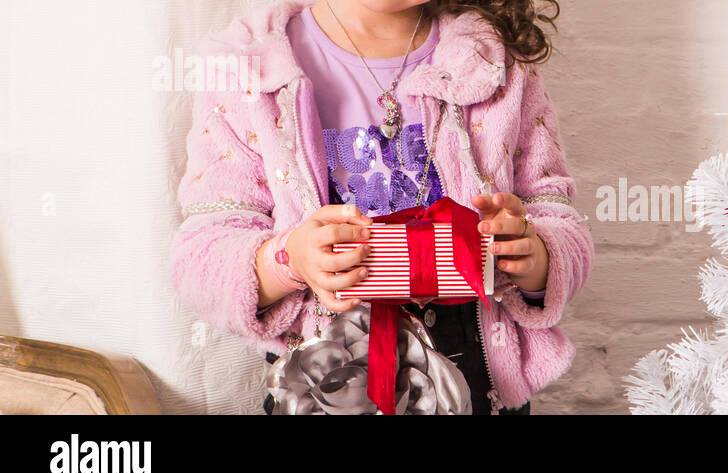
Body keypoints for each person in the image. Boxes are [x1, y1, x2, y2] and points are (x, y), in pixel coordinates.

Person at [170, 0, 591, 414]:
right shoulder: (249, 66)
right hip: (323, 385)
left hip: (478, 379)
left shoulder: (494, 59)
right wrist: (288, 260)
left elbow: (555, 215)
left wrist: (535, 258)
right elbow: (202, 255)